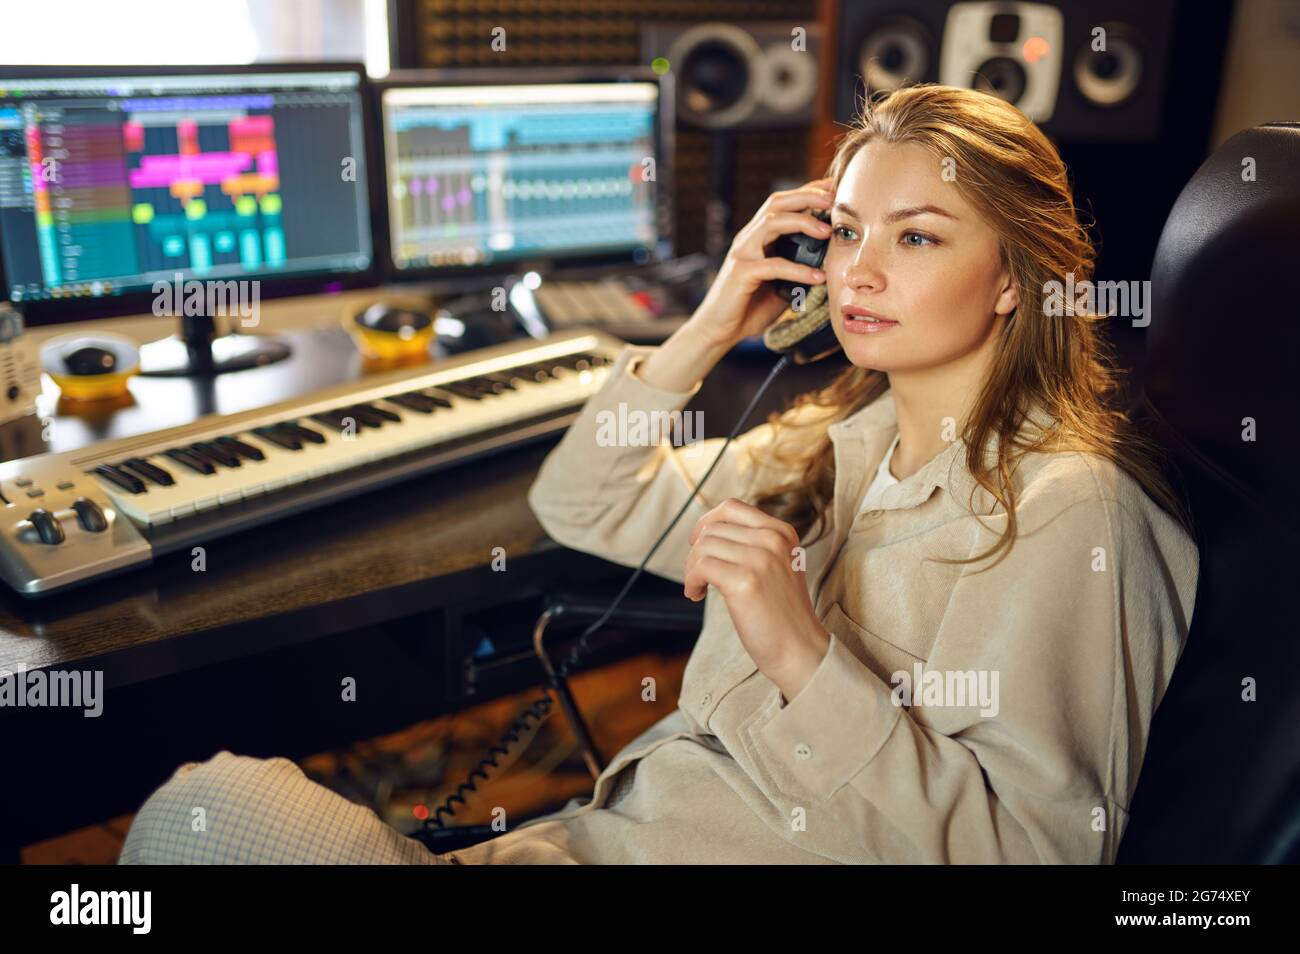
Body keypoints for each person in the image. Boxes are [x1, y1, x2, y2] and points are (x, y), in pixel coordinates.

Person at [119, 83, 1198, 865]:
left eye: (916, 240)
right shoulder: (834, 442)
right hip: (598, 842)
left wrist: (799, 648)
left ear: (1014, 279)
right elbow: (580, 501)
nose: (859, 269)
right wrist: (712, 315)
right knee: (210, 808)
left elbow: (1037, 852)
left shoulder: (1068, 511)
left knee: (204, 813)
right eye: (848, 230)